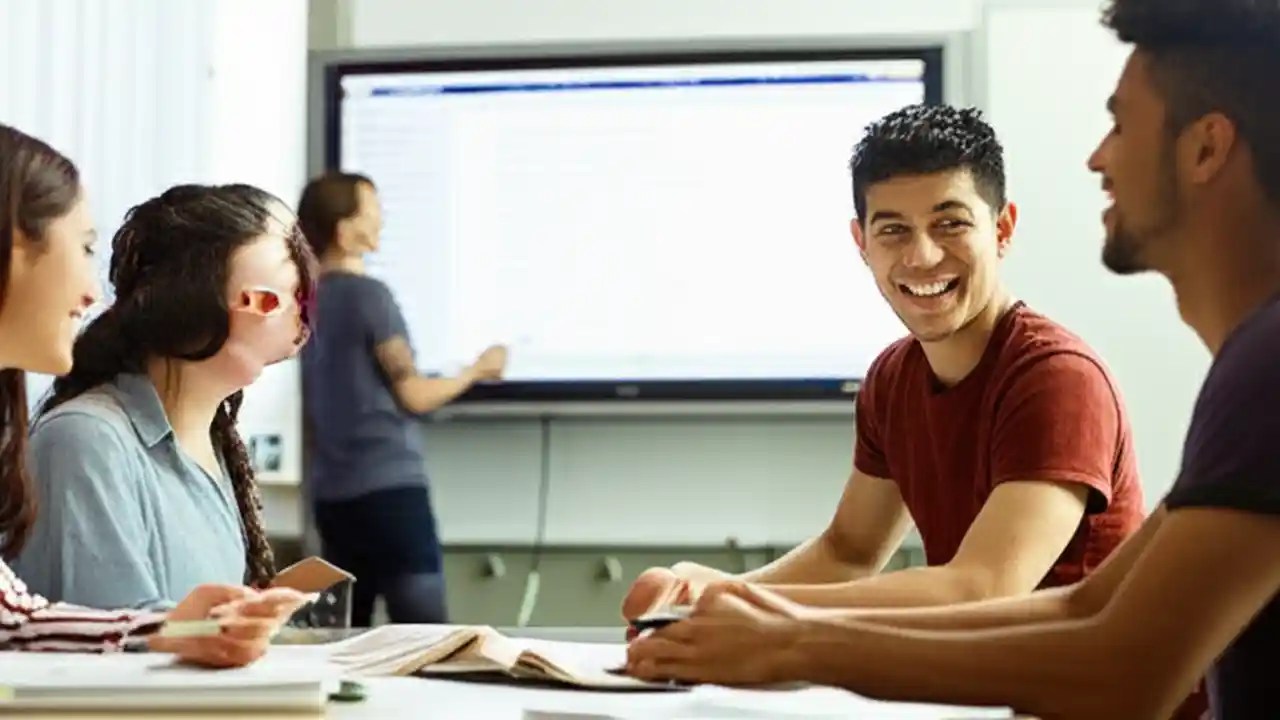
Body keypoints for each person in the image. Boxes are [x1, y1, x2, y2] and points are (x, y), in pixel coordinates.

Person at [626, 0, 1280, 718]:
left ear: (1206, 148)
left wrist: (793, 640)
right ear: (862, 241)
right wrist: (741, 606)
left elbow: (1108, 660)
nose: (1097, 157)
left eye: (1120, 124)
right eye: (894, 230)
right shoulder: (1251, 368)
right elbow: (1086, 609)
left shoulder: (1243, 371)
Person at [623, 105, 1145, 620]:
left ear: (1003, 228)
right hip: (982, 690)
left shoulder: (1057, 378)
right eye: (893, 230)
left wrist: (739, 602)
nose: (921, 257)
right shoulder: (892, 378)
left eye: (950, 224)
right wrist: (706, 597)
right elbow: (848, 553)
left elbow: (982, 590)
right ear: (861, 242)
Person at [0, 122, 308, 665]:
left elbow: (17, 620)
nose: (94, 293)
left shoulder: (213, 447)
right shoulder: (86, 438)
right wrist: (175, 630)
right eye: (268, 299)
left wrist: (183, 627)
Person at [296, 172, 506, 627]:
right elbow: (413, 394)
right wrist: (477, 369)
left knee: (346, 637)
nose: (381, 222)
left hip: (332, 497)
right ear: (344, 229)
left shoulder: (306, 302)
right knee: (427, 634)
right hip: (390, 492)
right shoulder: (372, 297)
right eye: (371, 213)